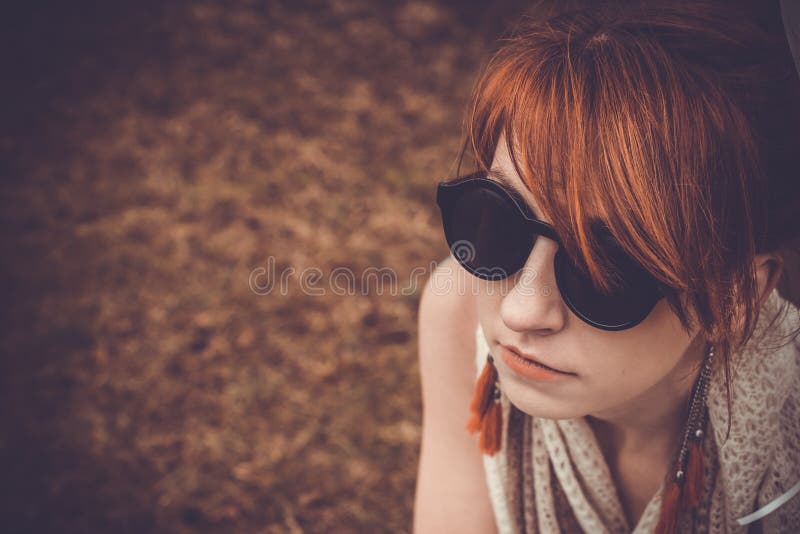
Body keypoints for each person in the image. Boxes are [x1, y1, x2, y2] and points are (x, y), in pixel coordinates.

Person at [413, 1, 800, 533]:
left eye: (606, 269)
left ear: (737, 297)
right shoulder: (457, 308)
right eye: (497, 222)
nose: (523, 310)